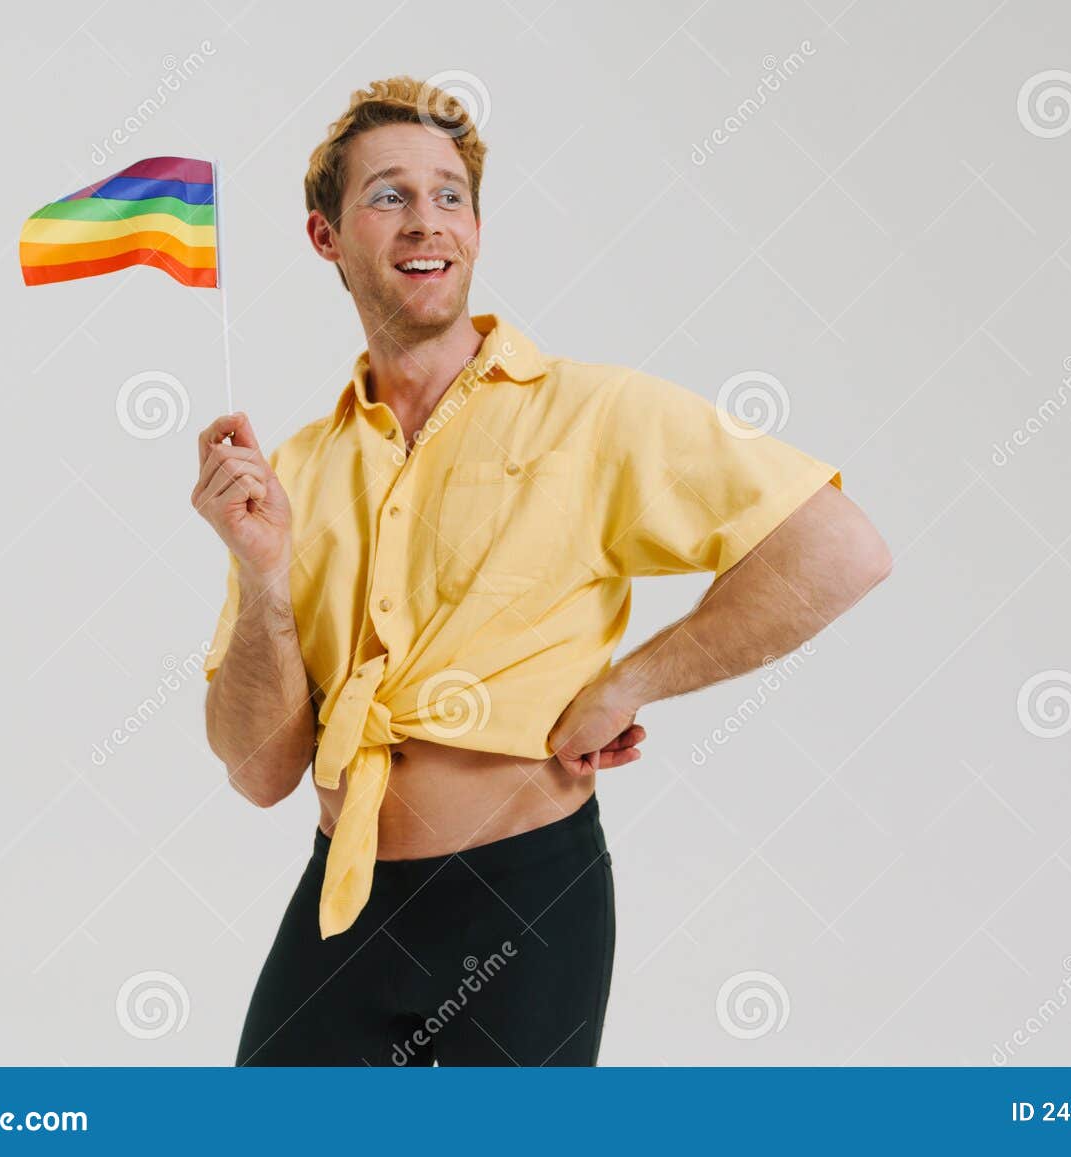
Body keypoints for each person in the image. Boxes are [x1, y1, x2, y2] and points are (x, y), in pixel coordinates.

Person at [193, 75, 893, 1067]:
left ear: (475, 226)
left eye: (449, 195)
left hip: (523, 904)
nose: (424, 221)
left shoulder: (592, 413)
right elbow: (260, 770)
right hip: (341, 903)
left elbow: (840, 547)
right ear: (326, 236)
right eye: (387, 194)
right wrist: (262, 574)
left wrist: (631, 681)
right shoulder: (291, 472)